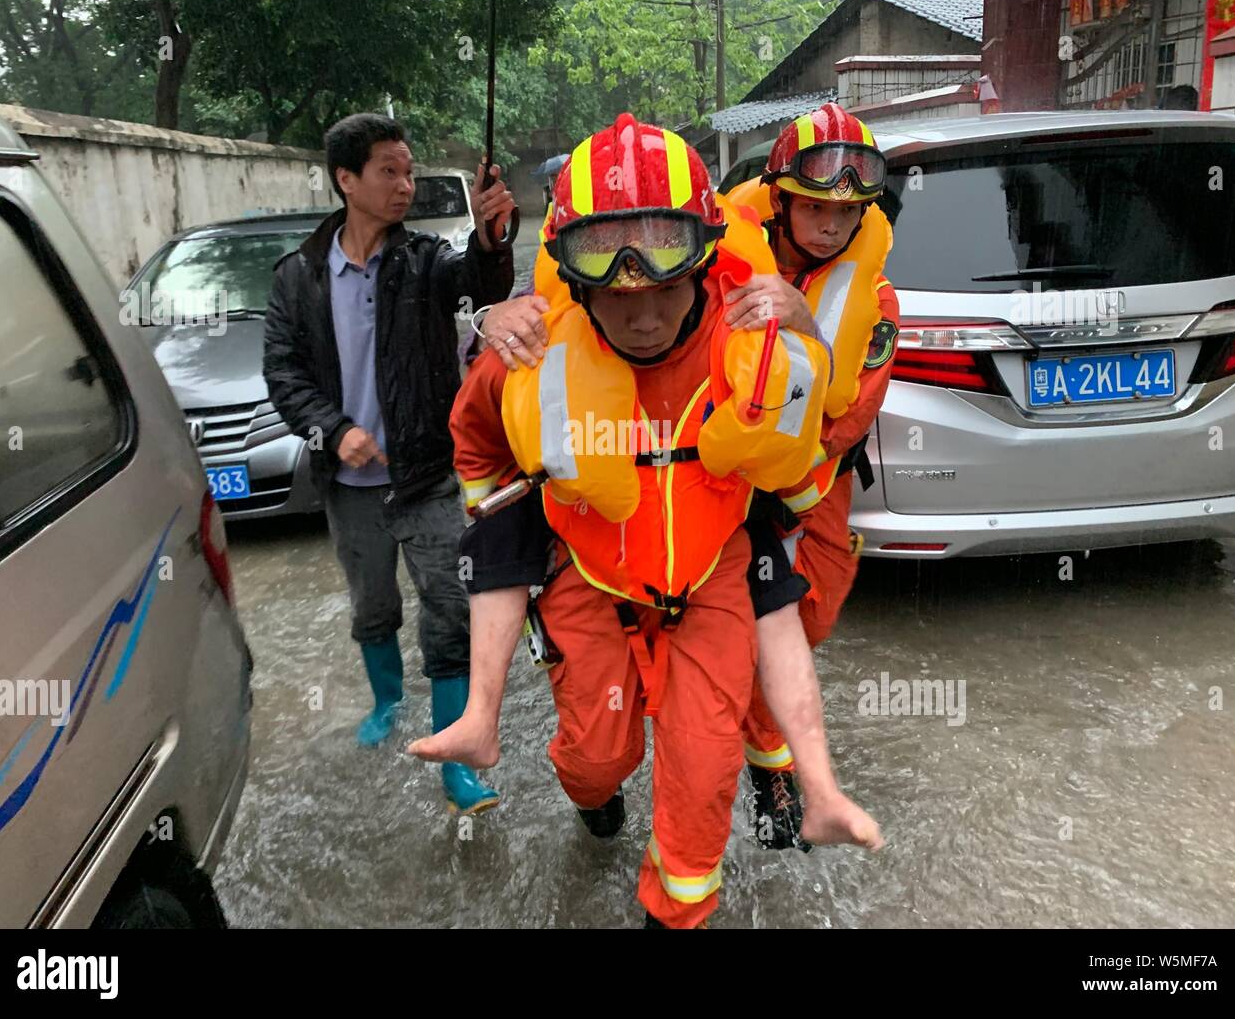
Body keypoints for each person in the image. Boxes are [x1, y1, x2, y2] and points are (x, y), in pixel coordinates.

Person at [410, 114, 873, 927]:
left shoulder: (758, 337)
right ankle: (595, 804)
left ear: (705, 261)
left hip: (712, 576)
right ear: (573, 278)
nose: (645, 317)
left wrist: (807, 341)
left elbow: (811, 439)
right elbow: (475, 443)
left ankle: (677, 911)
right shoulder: (529, 349)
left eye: (666, 287)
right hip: (588, 577)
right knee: (596, 759)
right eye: (618, 295)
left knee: (702, 775)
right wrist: (504, 545)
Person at [262, 112, 515, 815]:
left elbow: (480, 286)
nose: (405, 185)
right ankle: (385, 702)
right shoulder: (298, 277)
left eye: (409, 171)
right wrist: (332, 429)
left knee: (451, 605)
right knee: (373, 604)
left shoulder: (426, 261)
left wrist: (493, 236)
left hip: (428, 474)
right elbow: (283, 372)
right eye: (389, 172)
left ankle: (457, 757)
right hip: (348, 488)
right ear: (346, 179)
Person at [724, 102, 900, 849]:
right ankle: (754, 764)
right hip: (724, 480)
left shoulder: (877, 304)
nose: (831, 224)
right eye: (816, 206)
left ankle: (765, 750)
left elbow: (848, 416)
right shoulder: (722, 272)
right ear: (781, 199)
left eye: (848, 210)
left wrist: (806, 329)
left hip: (816, 488)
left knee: (811, 619)